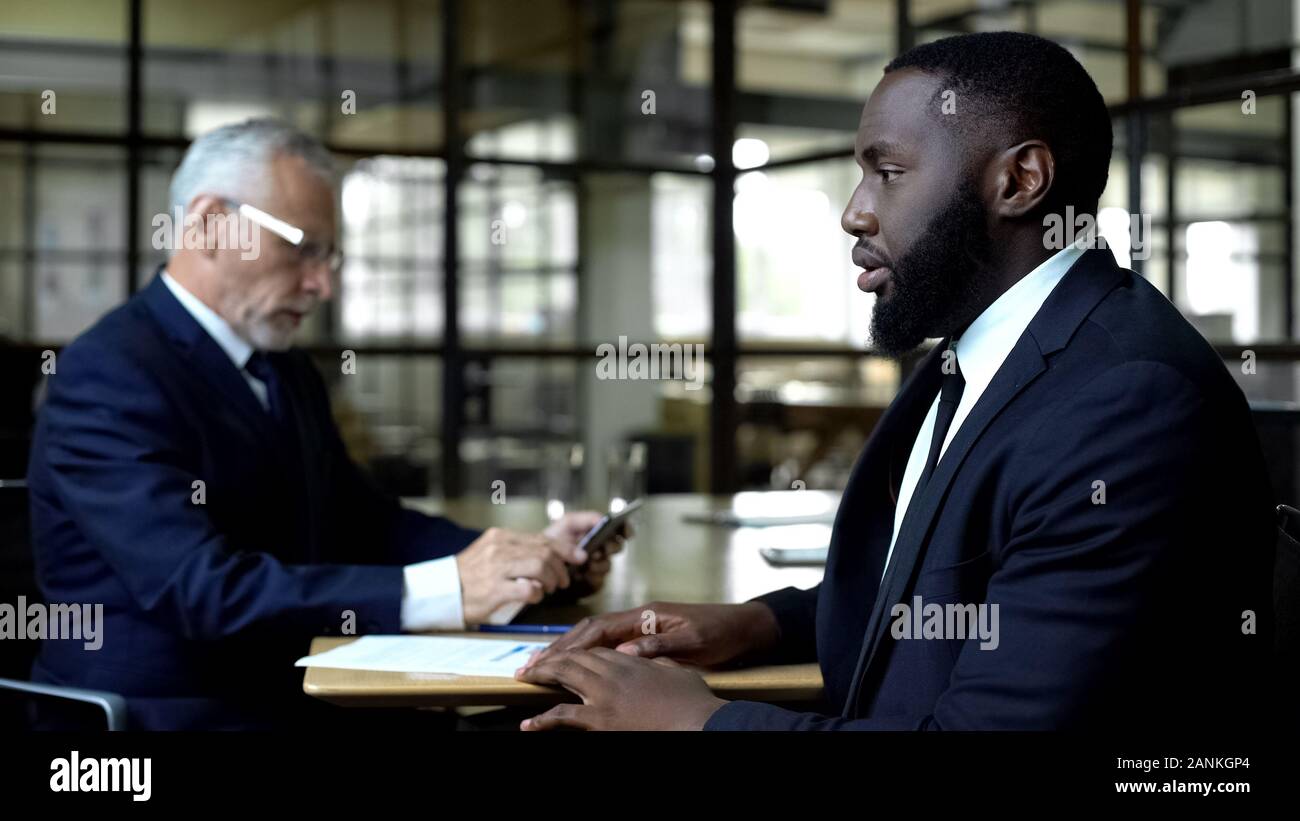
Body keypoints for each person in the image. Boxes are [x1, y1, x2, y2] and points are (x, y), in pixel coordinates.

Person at [514, 31, 1276, 731]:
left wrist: (702, 723)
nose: (854, 214)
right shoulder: (984, 354)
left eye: (887, 172)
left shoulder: (1127, 404)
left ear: (1020, 180)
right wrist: (760, 622)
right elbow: (952, 590)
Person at [26, 118, 616, 730]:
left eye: (329, 255)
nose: (323, 284)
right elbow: (203, 590)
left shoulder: (285, 370)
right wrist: (449, 588)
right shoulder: (106, 373)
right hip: (172, 718)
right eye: (303, 248)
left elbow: (366, 522)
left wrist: (523, 561)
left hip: (306, 687)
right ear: (207, 223)